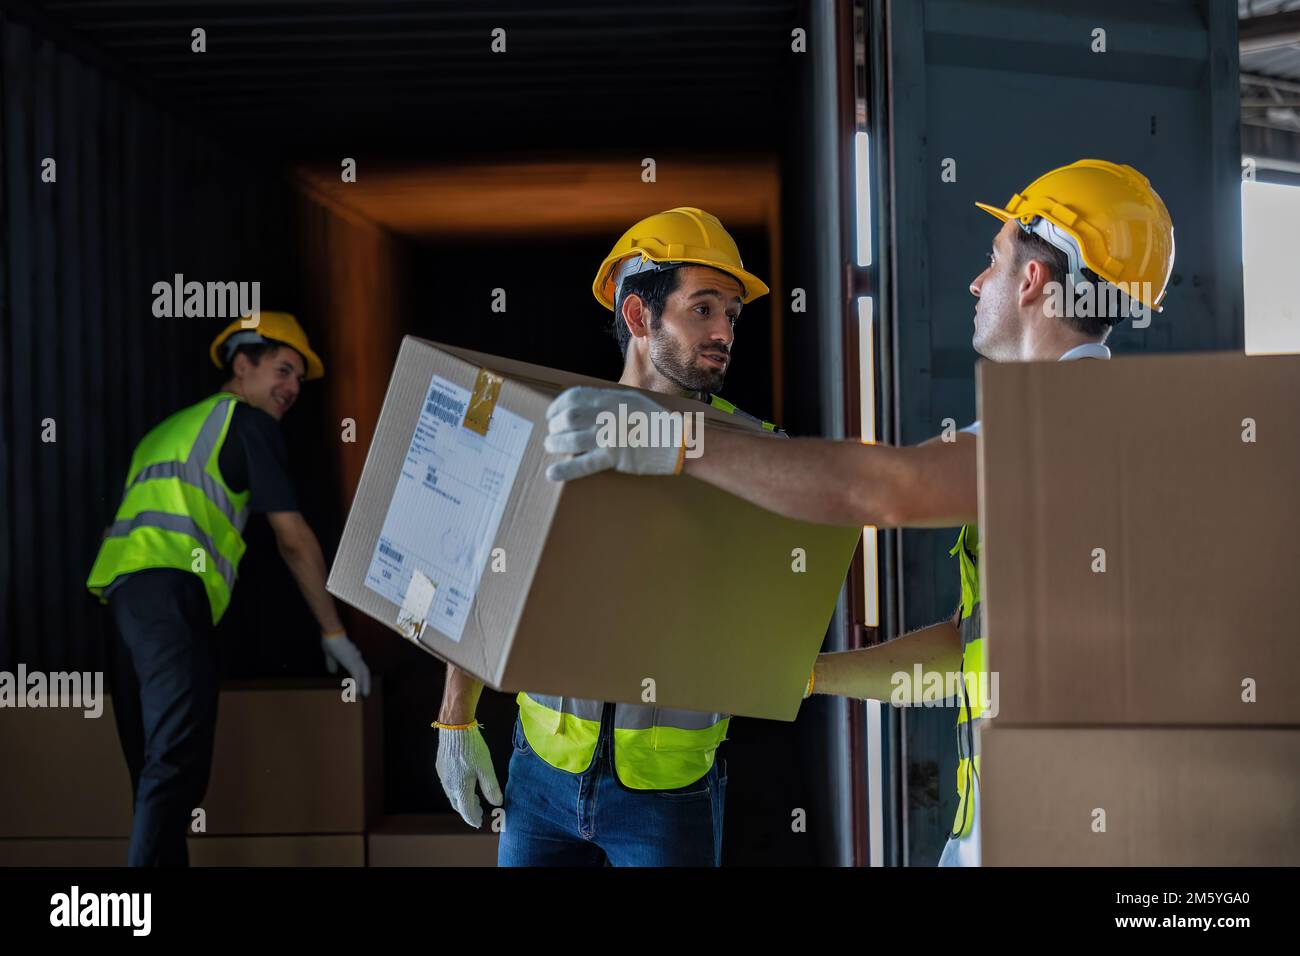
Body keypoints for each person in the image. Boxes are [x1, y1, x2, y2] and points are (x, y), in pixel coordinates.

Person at [542, 161, 1176, 865]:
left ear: (1031, 280)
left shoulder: (1072, 421)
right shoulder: (1059, 414)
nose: (976, 283)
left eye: (992, 260)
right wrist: (809, 674)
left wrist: (679, 442)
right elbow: (969, 654)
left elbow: (887, 490)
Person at [435, 207, 781, 866]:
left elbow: (779, 615)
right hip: (541, 772)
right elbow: (486, 573)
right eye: (703, 309)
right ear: (639, 316)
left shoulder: (757, 454)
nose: (724, 332)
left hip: (669, 788)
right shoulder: (557, 432)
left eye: (732, 315)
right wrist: (456, 717)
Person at [87, 311, 371, 866]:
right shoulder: (247, 423)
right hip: (171, 600)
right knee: (174, 767)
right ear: (243, 365)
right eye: (283, 370)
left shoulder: (164, 433)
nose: (292, 388)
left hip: (120, 605)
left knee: (154, 775)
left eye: (298, 378)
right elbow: (293, 539)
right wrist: (335, 633)